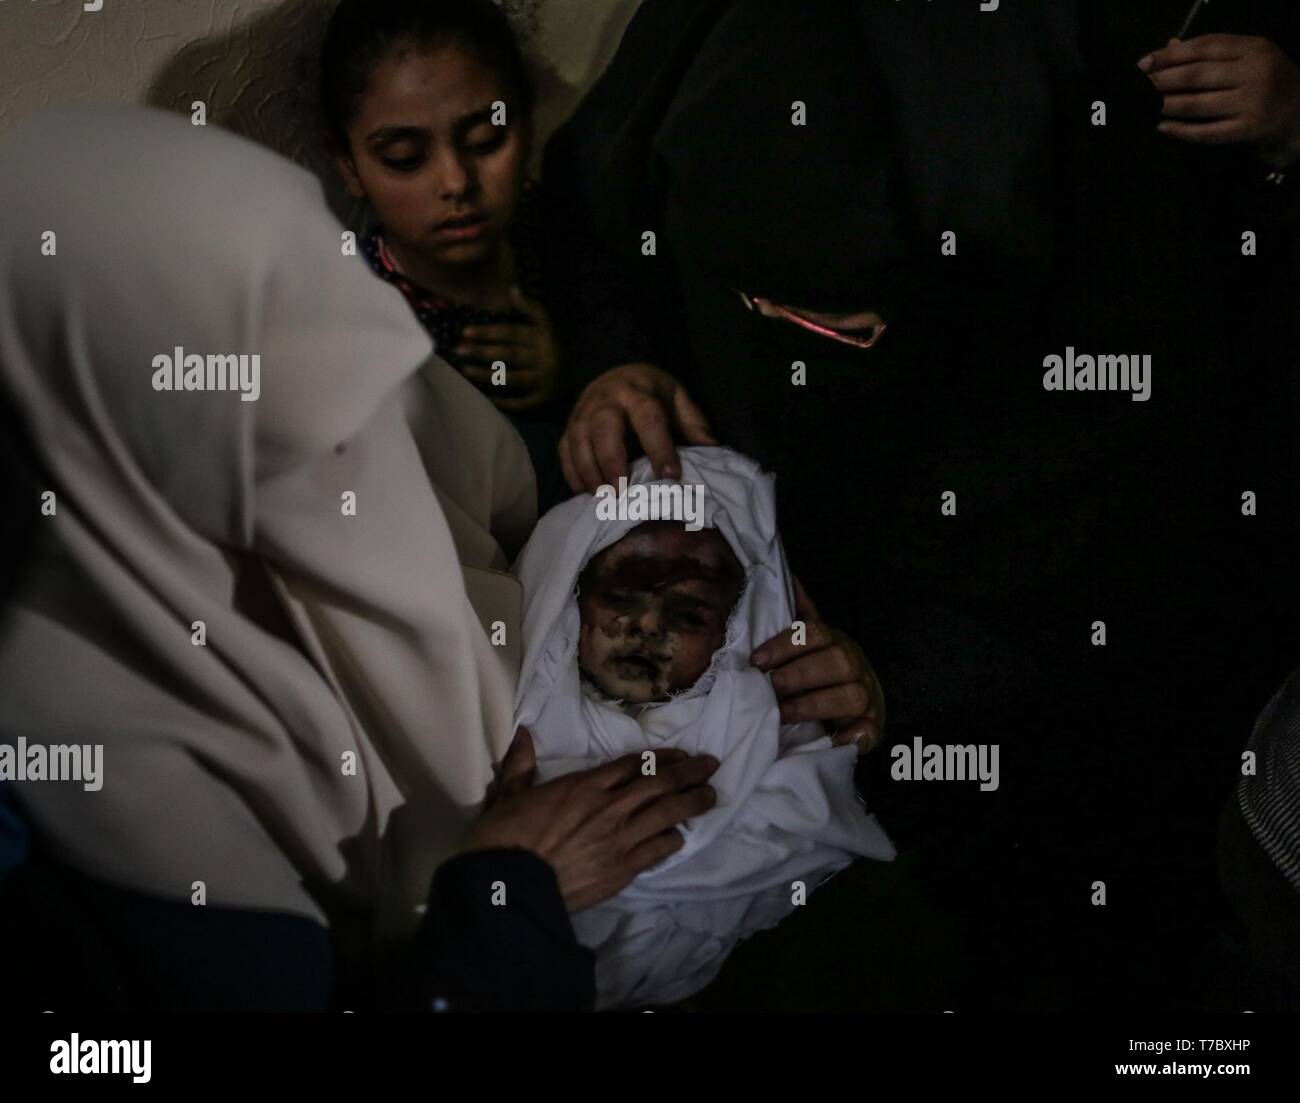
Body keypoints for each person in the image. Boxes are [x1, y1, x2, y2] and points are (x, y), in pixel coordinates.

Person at [542, 0, 1300, 1007]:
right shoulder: (705, 35)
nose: (786, 353)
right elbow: (584, 220)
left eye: (839, 330)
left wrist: (896, 680)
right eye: (752, 307)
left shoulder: (1120, 250)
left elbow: (1140, 584)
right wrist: (614, 358)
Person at [0, 104, 722, 1012]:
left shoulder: (333, 350)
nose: (370, 473)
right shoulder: (94, 823)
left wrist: (626, 410)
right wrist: (504, 900)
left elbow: (516, 470)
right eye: (295, 452)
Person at [513, 447, 894, 1008]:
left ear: (737, 633)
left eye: (691, 613)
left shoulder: (790, 802)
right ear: (566, 593)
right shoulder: (488, 718)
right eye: (621, 593)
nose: (647, 624)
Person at [320, 0, 569, 510]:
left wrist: (583, 367)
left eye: (486, 140)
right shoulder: (357, 328)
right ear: (348, 165)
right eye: (405, 159)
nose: (456, 183)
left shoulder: (570, 233)